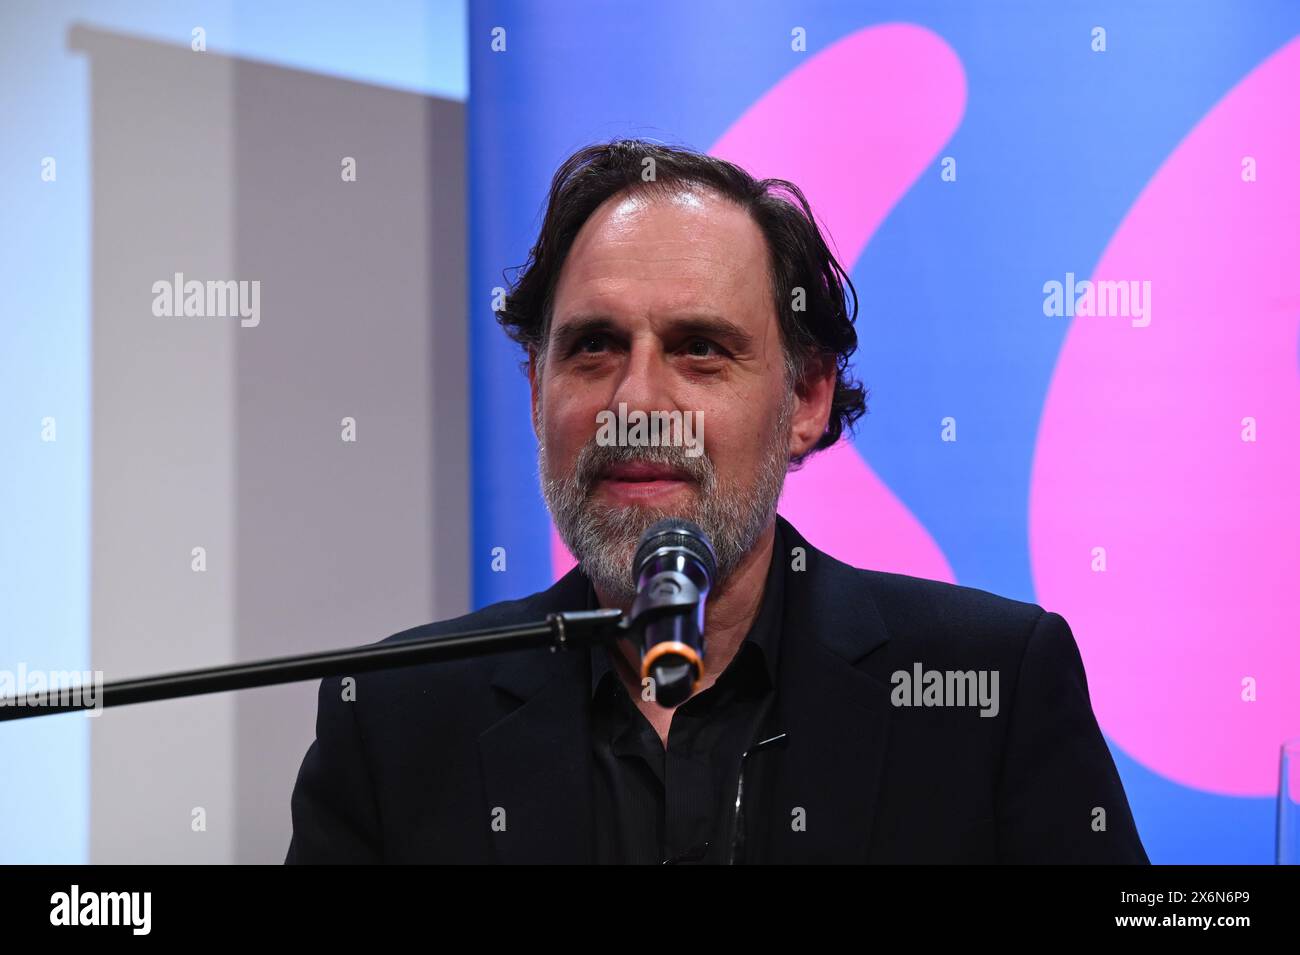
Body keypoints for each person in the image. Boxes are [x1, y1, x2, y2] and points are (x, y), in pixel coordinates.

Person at [286, 139, 1148, 864]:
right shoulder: (396, 717)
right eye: (592, 347)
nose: (636, 402)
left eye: (700, 349)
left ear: (806, 398)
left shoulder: (990, 689)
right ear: (535, 387)